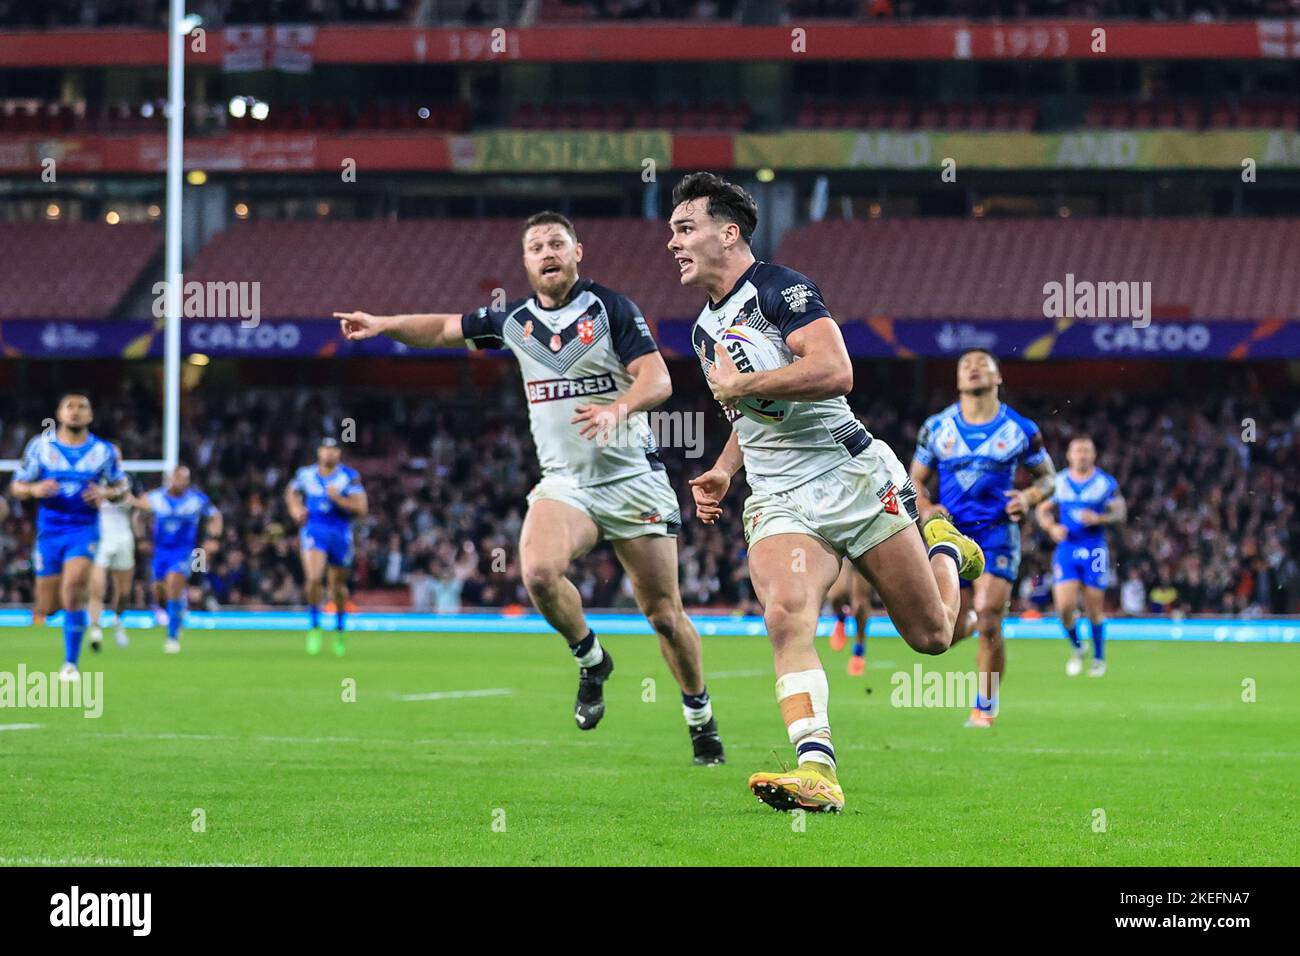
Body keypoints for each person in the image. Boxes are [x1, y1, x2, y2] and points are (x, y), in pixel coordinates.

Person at [335, 211, 725, 765]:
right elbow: (445, 329)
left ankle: (700, 718)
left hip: (633, 480)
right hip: (567, 484)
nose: (547, 252)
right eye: (537, 245)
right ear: (525, 261)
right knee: (539, 572)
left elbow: (658, 379)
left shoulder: (610, 308)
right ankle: (592, 660)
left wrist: (620, 407)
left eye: (557, 243)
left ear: (577, 252)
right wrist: (384, 323)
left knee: (664, 613)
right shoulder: (513, 320)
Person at [670, 172, 983, 812]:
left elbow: (836, 370)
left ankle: (945, 548)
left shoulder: (781, 290)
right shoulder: (703, 329)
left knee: (932, 637)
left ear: (728, 234)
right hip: (781, 497)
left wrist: (741, 389)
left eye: (685, 228)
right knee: (785, 615)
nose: (672, 242)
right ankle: (818, 767)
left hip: (853, 479)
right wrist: (727, 469)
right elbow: (749, 415)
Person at [910, 349, 1057, 727]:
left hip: (997, 534)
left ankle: (984, 706)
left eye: (982, 364)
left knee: (992, 617)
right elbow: (915, 482)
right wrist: (925, 509)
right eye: (965, 365)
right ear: (958, 381)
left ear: (998, 378)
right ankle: (971, 618)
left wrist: (1028, 497)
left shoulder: (1020, 429)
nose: (973, 369)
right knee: (946, 632)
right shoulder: (937, 428)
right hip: (950, 537)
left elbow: (1049, 478)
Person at [9, 394, 126, 679]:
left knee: (74, 587)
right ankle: (71, 611)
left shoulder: (103, 451)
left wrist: (106, 493)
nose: (75, 412)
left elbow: (121, 485)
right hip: (49, 532)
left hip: (83, 529)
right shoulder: (41, 447)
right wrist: (34, 490)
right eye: (69, 407)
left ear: (91, 415)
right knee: (47, 606)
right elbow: (17, 486)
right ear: (59, 413)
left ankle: (70, 662)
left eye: (82, 407)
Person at [1035, 435, 1126, 677]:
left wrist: (1101, 519)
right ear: (1069, 455)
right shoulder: (1060, 482)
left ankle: (1098, 658)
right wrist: (1051, 527)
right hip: (1067, 549)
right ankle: (1078, 647)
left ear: (1093, 455)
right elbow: (1042, 509)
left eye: (1087, 451)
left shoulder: (1105, 483)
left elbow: (1120, 511)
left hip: (1095, 549)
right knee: (1064, 608)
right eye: (1078, 451)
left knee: (1094, 607)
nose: (1082, 455)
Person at [285, 438, 368, 657]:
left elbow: (362, 508)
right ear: (319, 452)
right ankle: (314, 625)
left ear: (338, 454)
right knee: (313, 578)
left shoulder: (349, 477)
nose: (328, 454)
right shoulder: (306, 474)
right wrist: (296, 510)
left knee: (337, 587)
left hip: (340, 532)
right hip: (314, 529)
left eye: (333, 450)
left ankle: (340, 628)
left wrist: (339, 500)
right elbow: (291, 492)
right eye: (325, 449)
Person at [137, 466, 222, 653]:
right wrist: (142, 538)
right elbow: (138, 512)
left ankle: (172, 637)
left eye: (185, 479)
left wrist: (213, 539)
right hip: (160, 552)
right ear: (170, 479)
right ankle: (178, 612)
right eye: (178, 478)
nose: (182, 482)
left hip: (183, 552)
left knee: (174, 586)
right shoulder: (156, 498)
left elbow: (215, 516)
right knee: (160, 592)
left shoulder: (196, 500)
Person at [87, 443, 138, 651]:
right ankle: (96, 630)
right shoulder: (92, 479)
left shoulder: (127, 480)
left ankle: (117, 620)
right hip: (100, 537)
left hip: (123, 536)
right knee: (98, 588)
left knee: (124, 592)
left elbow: (131, 501)